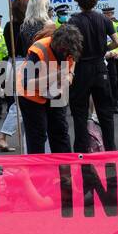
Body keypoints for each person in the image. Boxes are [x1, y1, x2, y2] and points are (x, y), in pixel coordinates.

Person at [67, 0, 117, 152]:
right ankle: (110, 148)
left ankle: (81, 149)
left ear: (78, 2)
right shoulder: (104, 19)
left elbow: (70, 47)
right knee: (105, 112)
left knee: (80, 112)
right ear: (95, 1)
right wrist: (104, 50)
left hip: (81, 69)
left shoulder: (73, 20)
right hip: (100, 67)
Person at [19, 19, 81, 154]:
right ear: (57, 45)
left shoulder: (71, 48)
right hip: (32, 96)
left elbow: (73, 60)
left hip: (55, 92)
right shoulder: (38, 51)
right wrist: (55, 76)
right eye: (64, 52)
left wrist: (70, 74)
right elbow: (26, 83)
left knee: (60, 132)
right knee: (37, 136)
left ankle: (65, 171)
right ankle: (38, 172)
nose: (66, 55)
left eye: (69, 53)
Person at [0, 0, 29, 151]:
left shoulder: (8, 26)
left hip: (11, 63)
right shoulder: (27, 26)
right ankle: (3, 136)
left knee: (18, 102)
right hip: (23, 64)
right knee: (21, 104)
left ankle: (14, 137)